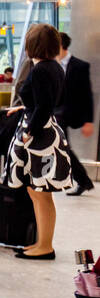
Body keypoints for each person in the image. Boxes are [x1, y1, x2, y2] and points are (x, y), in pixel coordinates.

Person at [6, 23, 75, 258]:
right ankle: (42, 243)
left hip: (40, 135)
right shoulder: (54, 67)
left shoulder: (41, 70)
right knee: (39, 192)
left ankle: (45, 246)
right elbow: (43, 102)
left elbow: (44, 106)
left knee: (41, 192)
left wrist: (29, 132)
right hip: (45, 131)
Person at [56, 31, 94, 196]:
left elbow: (87, 94)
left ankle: (83, 181)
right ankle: (83, 181)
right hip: (56, 112)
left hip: (69, 113)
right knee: (63, 148)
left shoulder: (80, 66)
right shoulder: (52, 64)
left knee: (63, 148)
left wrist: (89, 121)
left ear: (60, 46)